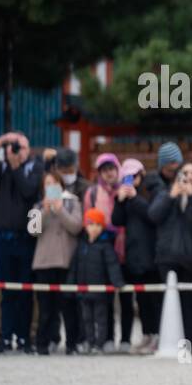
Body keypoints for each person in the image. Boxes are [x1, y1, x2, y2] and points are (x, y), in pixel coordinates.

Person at [148, 159, 192, 353]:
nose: (189, 177)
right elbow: (154, 215)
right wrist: (171, 196)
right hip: (168, 258)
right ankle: (170, 343)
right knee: (168, 302)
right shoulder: (164, 193)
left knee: (191, 304)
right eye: (185, 173)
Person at [0, 131, 42, 352]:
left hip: (25, 239)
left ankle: (25, 337)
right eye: (14, 146)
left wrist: (16, 166)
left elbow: (29, 191)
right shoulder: (1, 169)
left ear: (29, 150)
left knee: (25, 292)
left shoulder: (35, 168)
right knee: (5, 291)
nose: (17, 151)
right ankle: (4, 336)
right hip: (2, 239)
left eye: (21, 147)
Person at [83, 152, 134, 351]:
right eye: (104, 170)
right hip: (101, 251)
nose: (109, 174)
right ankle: (108, 338)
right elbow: (86, 220)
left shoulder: (127, 188)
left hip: (125, 249)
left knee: (126, 297)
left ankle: (126, 339)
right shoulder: (92, 193)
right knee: (105, 298)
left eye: (111, 169)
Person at [30, 170, 83, 354]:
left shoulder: (73, 202)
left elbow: (76, 227)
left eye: (55, 183)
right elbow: (33, 231)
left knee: (68, 306)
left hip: (66, 261)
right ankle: (42, 343)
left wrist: (60, 210)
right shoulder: (37, 206)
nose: (51, 187)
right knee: (45, 307)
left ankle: (71, 344)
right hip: (44, 262)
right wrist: (45, 209)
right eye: (47, 184)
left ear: (61, 185)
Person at [112, 158, 162, 354]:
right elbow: (117, 220)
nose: (130, 181)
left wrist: (135, 198)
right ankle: (147, 334)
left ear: (141, 174)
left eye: (133, 176)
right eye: (126, 177)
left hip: (151, 255)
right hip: (133, 256)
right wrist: (120, 200)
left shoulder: (150, 192)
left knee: (153, 298)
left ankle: (157, 335)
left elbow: (152, 215)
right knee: (141, 300)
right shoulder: (125, 197)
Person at [68, 208, 125, 353]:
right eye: (91, 224)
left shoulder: (105, 246)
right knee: (86, 319)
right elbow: (74, 266)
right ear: (85, 226)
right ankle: (89, 341)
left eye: (98, 225)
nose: (94, 228)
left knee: (101, 319)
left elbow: (112, 265)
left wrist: (117, 281)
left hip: (100, 291)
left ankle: (100, 344)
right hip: (83, 290)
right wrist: (70, 285)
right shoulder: (81, 245)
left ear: (102, 227)